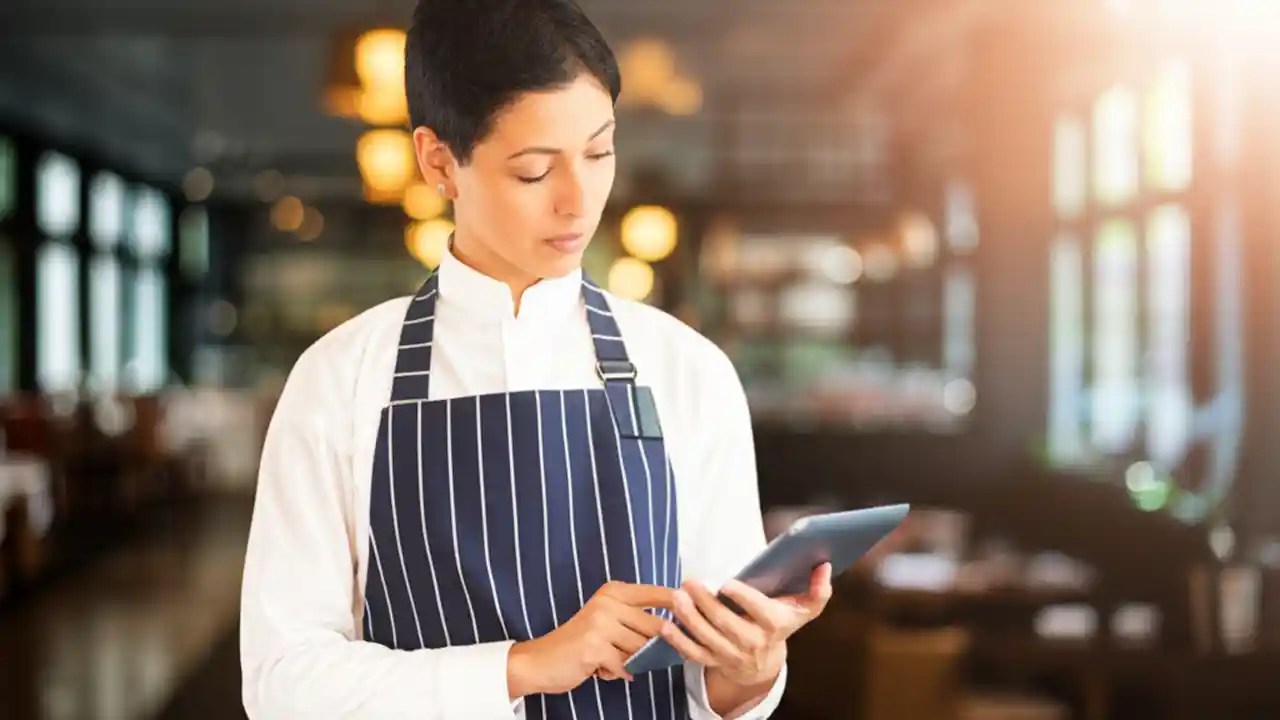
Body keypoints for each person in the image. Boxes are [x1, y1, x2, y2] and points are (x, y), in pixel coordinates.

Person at [239, 0, 832, 717]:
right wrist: (522, 667)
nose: (578, 202)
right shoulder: (340, 380)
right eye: (533, 171)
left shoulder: (688, 370)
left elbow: (712, 684)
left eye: (600, 153)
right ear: (438, 162)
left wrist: (753, 669)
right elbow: (282, 685)